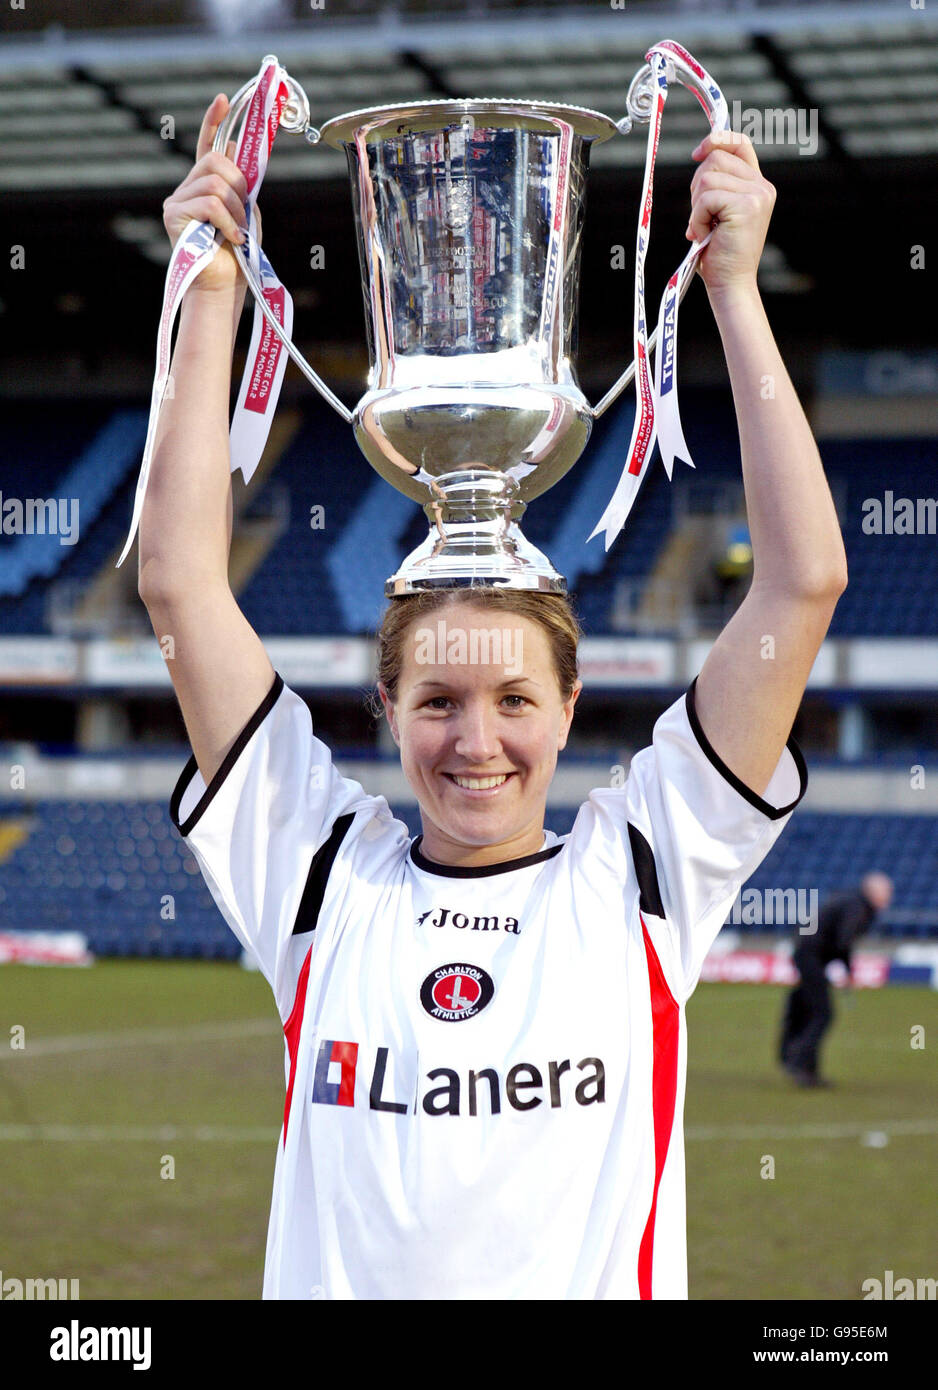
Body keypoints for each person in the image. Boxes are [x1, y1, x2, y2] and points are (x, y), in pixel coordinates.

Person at [137, 93, 847, 1299]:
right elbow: (178, 585)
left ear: (570, 707)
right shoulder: (314, 870)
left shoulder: (642, 868)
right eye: (437, 703)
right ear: (385, 705)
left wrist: (733, 288)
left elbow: (800, 584)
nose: (475, 741)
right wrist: (210, 301)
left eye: (514, 699)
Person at [779, 873, 894, 1087]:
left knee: (806, 1007)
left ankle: (795, 1060)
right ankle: (800, 1064)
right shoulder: (858, 907)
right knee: (822, 1013)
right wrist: (848, 970)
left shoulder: (852, 901)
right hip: (810, 956)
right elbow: (843, 941)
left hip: (807, 953)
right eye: (887, 891)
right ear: (873, 892)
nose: (889, 896)